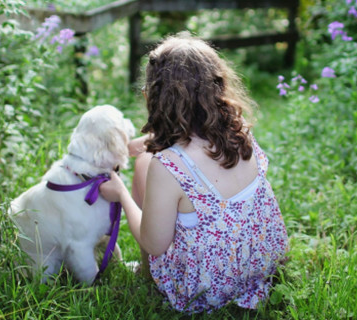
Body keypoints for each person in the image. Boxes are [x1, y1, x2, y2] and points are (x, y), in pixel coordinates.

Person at [98, 33, 289, 313]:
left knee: (143, 164)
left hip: (206, 287)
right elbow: (192, 147)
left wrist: (122, 195)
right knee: (148, 159)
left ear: (152, 96)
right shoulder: (240, 132)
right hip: (261, 264)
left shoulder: (167, 166)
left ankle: (147, 273)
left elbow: (155, 243)